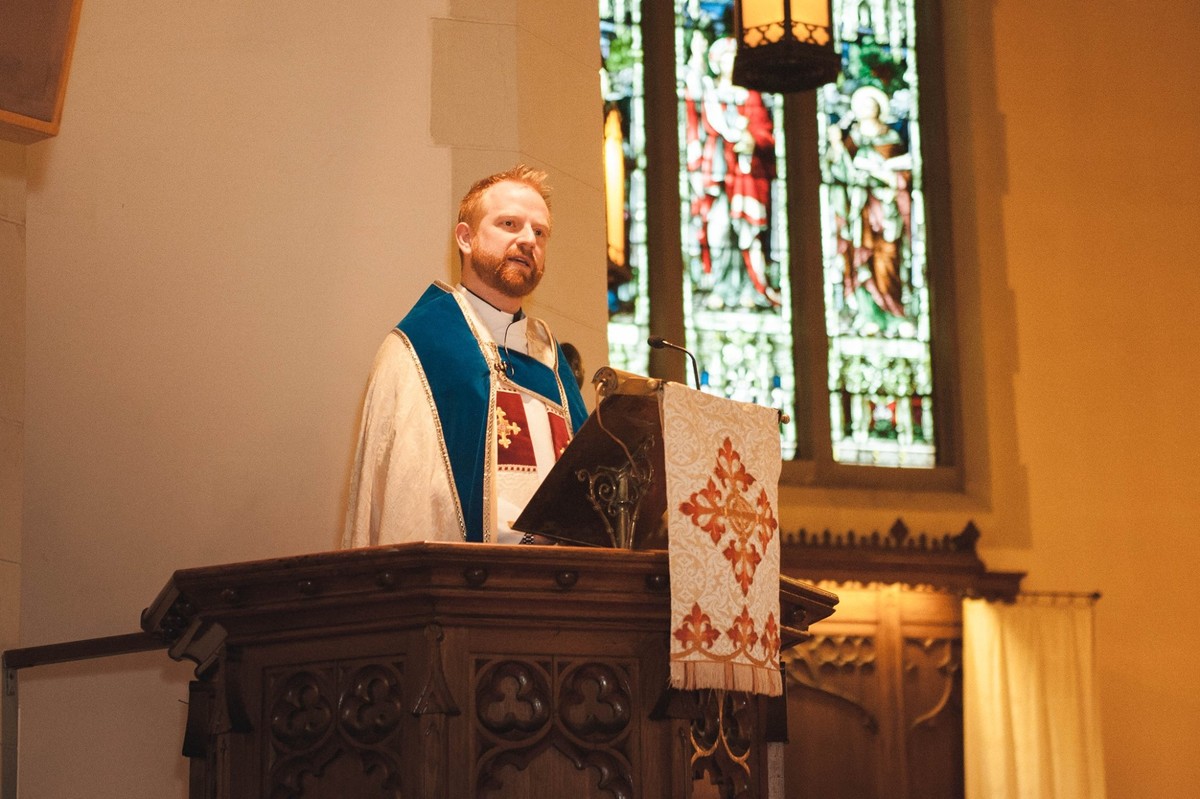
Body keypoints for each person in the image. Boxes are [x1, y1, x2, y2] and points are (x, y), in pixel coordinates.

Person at [341, 165, 589, 547]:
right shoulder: (419, 349)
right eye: (509, 224)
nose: (528, 240)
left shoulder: (551, 360)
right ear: (466, 238)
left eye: (539, 232)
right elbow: (403, 506)